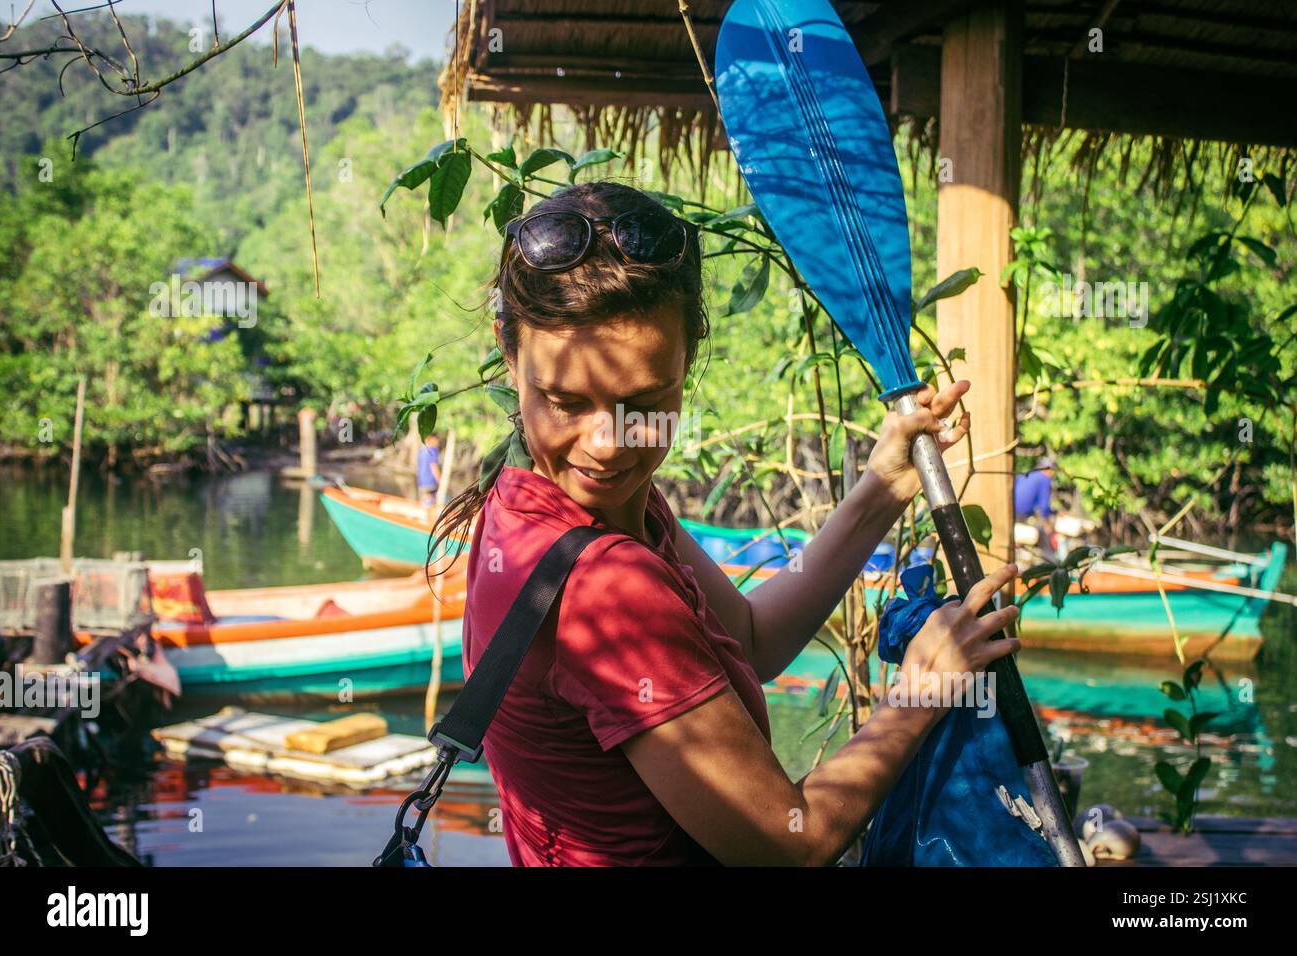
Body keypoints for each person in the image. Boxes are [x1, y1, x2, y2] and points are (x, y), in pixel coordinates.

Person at [427, 182, 1021, 867]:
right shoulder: (603, 581)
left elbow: (752, 639)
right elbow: (788, 843)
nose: (607, 443)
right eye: (564, 401)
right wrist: (920, 691)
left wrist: (884, 484)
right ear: (510, 354)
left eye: (645, 400)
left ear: (688, 359)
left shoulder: (555, 503)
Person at [1014, 456, 1057, 559]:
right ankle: (1051, 565)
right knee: (1045, 537)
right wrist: (1048, 524)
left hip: (1012, 514)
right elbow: (1043, 507)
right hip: (1021, 516)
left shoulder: (1027, 475)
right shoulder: (1044, 479)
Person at [416, 433, 441, 506]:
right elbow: (434, 467)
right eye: (436, 440)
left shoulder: (422, 450)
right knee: (431, 502)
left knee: (425, 500)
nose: (438, 442)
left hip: (422, 482)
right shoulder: (432, 451)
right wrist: (440, 481)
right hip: (430, 482)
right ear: (431, 440)